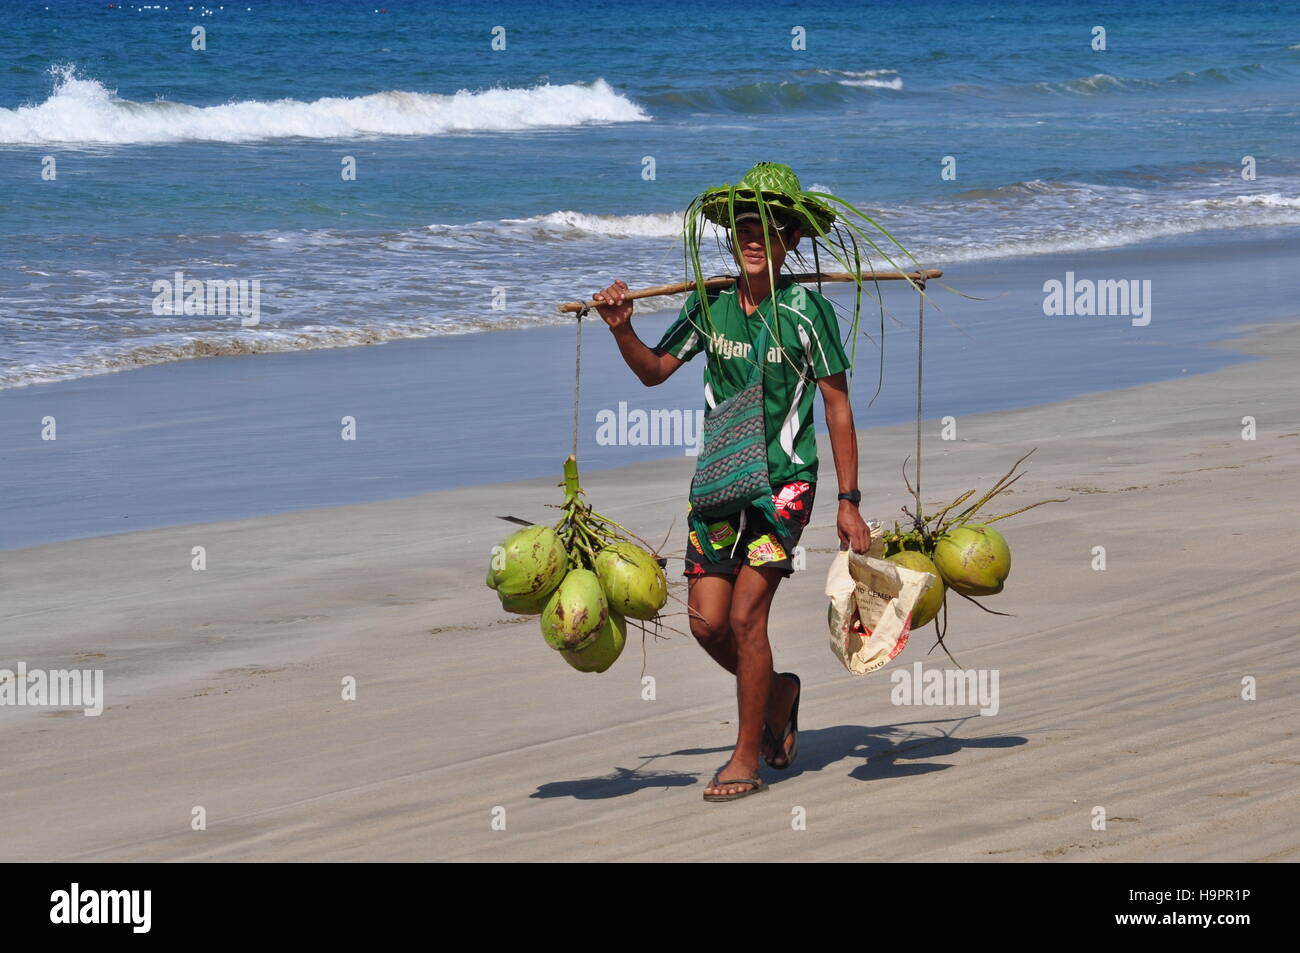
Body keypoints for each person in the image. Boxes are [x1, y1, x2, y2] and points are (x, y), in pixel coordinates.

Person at [593, 163, 873, 801]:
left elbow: (837, 408)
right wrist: (622, 330)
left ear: (791, 241)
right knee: (706, 623)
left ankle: (746, 755)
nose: (755, 237)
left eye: (770, 229)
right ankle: (777, 691)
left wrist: (849, 502)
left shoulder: (808, 313)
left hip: (783, 489)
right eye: (746, 226)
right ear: (733, 234)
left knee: (748, 616)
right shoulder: (711, 305)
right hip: (719, 485)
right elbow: (656, 371)